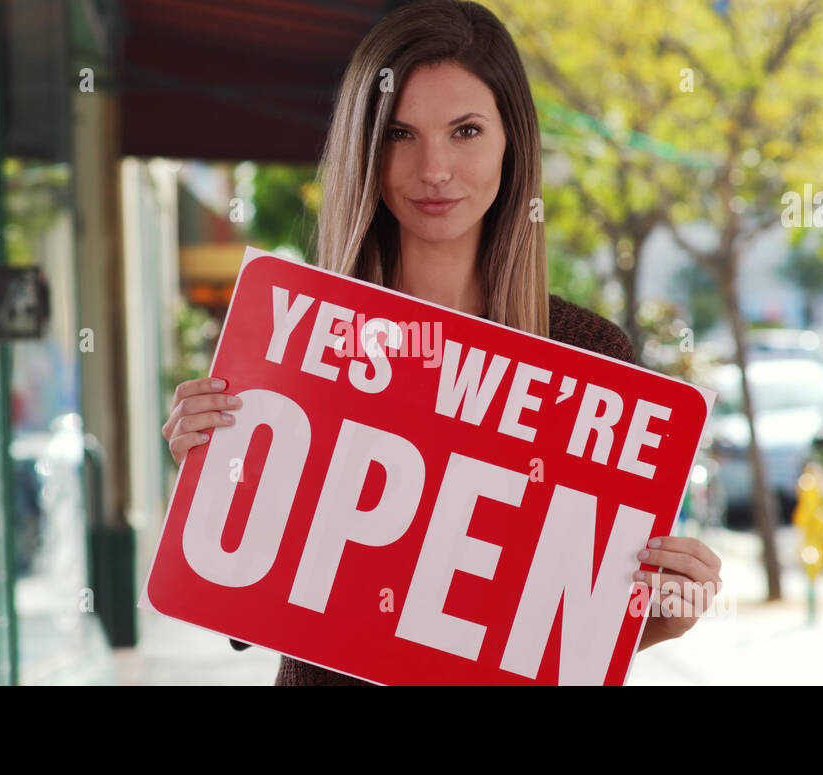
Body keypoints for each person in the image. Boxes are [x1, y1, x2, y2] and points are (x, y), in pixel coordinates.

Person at [162, 0, 722, 686]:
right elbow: (241, 614)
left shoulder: (591, 359)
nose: (434, 169)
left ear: (512, 141)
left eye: (465, 131)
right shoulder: (301, 340)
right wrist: (210, 472)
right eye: (401, 133)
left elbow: (559, 638)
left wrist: (670, 608)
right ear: (365, 146)